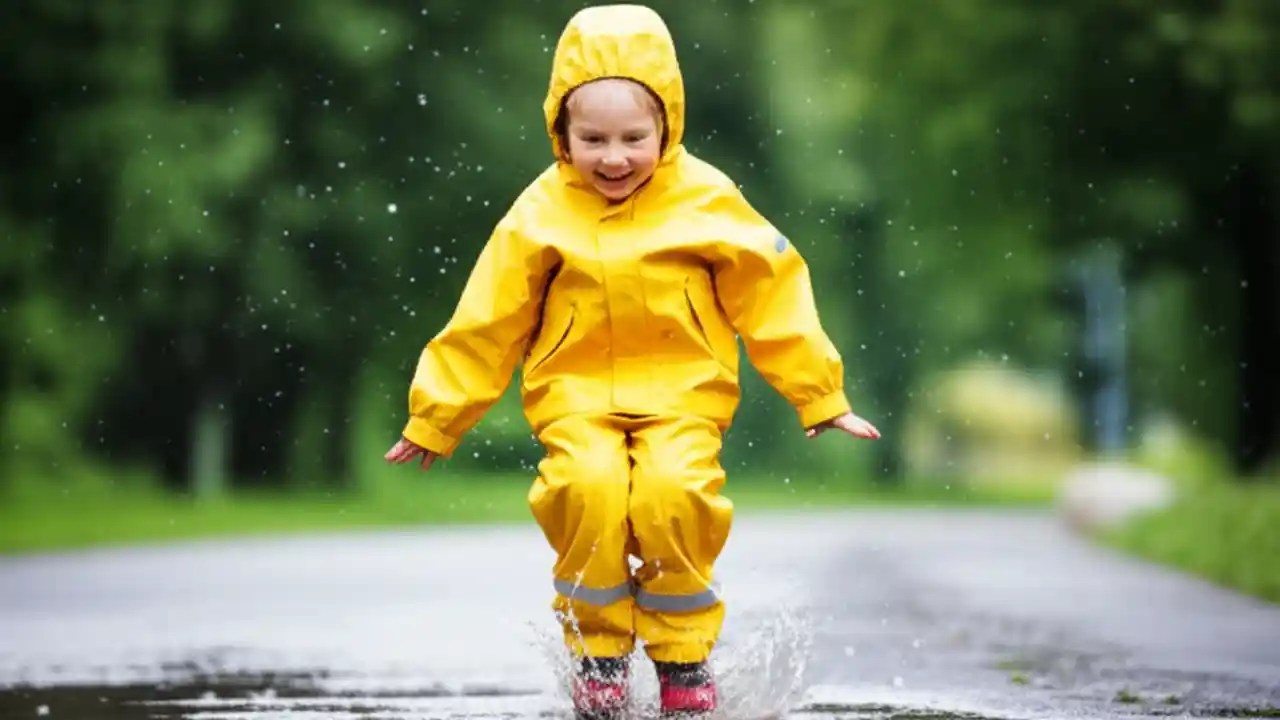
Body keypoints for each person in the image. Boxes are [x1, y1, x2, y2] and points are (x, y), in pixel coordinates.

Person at [384, 4, 880, 718]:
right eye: (591, 139)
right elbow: (489, 317)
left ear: (667, 127)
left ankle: (683, 660)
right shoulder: (539, 211)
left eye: (632, 138)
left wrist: (819, 394)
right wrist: (436, 416)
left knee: (672, 495)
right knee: (586, 488)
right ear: (561, 133)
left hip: (684, 396)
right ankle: (600, 655)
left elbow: (772, 294)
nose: (613, 158)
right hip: (575, 397)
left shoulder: (708, 199)